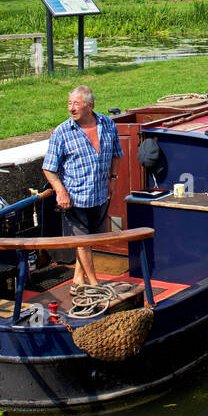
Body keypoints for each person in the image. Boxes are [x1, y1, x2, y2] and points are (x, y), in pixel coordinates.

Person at [42, 85, 123, 292]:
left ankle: (78, 277)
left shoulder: (107, 124)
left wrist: (112, 179)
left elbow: (116, 153)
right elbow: (49, 168)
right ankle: (95, 284)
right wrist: (60, 191)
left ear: (90, 106)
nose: (71, 108)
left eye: (76, 104)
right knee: (83, 241)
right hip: (74, 198)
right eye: (69, 103)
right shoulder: (62, 132)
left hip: (98, 196)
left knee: (90, 239)